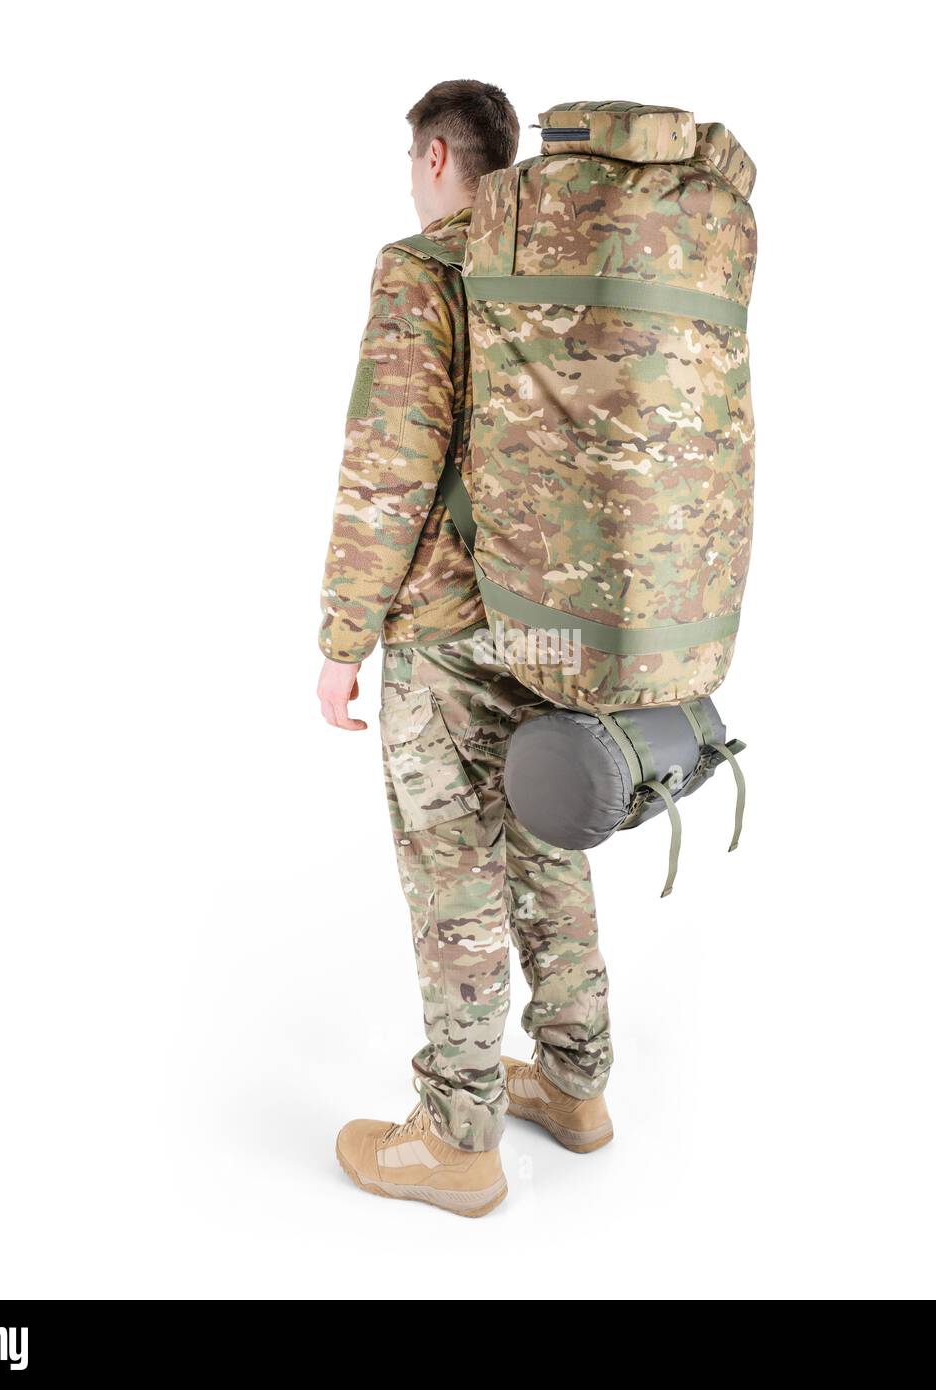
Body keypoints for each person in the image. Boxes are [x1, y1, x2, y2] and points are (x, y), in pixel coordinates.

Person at [317, 80, 614, 1218]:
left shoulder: (423, 269)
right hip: (553, 621)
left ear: (439, 155)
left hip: (443, 628)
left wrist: (344, 637)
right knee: (546, 841)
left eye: (411, 161)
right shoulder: (555, 276)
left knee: (454, 875)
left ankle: (457, 1134)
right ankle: (579, 1084)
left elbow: (387, 470)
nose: (409, 180)